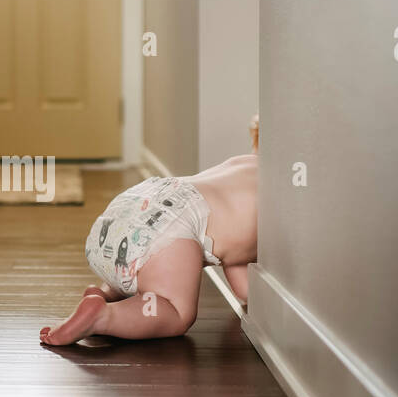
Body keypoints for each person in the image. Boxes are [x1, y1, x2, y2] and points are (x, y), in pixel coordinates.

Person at [40, 115, 259, 345]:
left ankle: (106, 295)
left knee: (146, 268)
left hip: (134, 206)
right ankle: (104, 316)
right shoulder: (275, 195)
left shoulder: (239, 163)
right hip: (176, 223)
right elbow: (244, 288)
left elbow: (238, 268)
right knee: (175, 310)